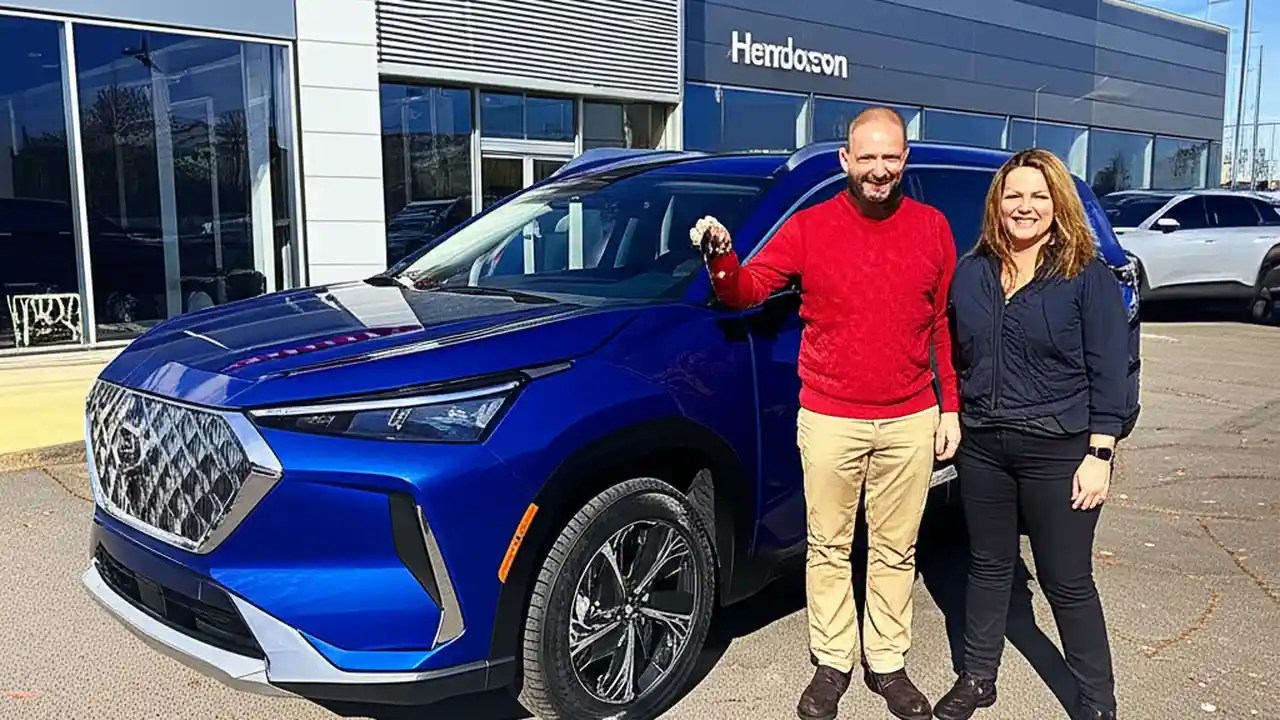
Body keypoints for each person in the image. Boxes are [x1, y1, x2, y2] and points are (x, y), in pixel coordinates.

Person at [691, 107, 961, 720]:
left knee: (896, 549)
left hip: (911, 416)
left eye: (890, 157)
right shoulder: (811, 227)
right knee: (829, 546)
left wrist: (952, 409)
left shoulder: (933, 229)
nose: (879, 170)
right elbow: (747, 290)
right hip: (831, 416)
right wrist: (723, 258)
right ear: (845, 160)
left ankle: (887, 662)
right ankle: (833, 660)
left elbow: (942, 324)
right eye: (866, 157)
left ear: (905, 158)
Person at [932, 148, 1128, 720]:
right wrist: (949, 410)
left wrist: (1100, 451)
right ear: (998, 202)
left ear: (1057, 204)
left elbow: (1109, 369)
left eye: (1039, 196)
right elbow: (947, 347)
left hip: (1060, 448)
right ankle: (977, 678)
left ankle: (1097, 701)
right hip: (985, 447)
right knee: (989, 566)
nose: (1026, 207)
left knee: (1066, 580)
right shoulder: (972, 271)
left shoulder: (1084, 276)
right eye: (1014, 195)